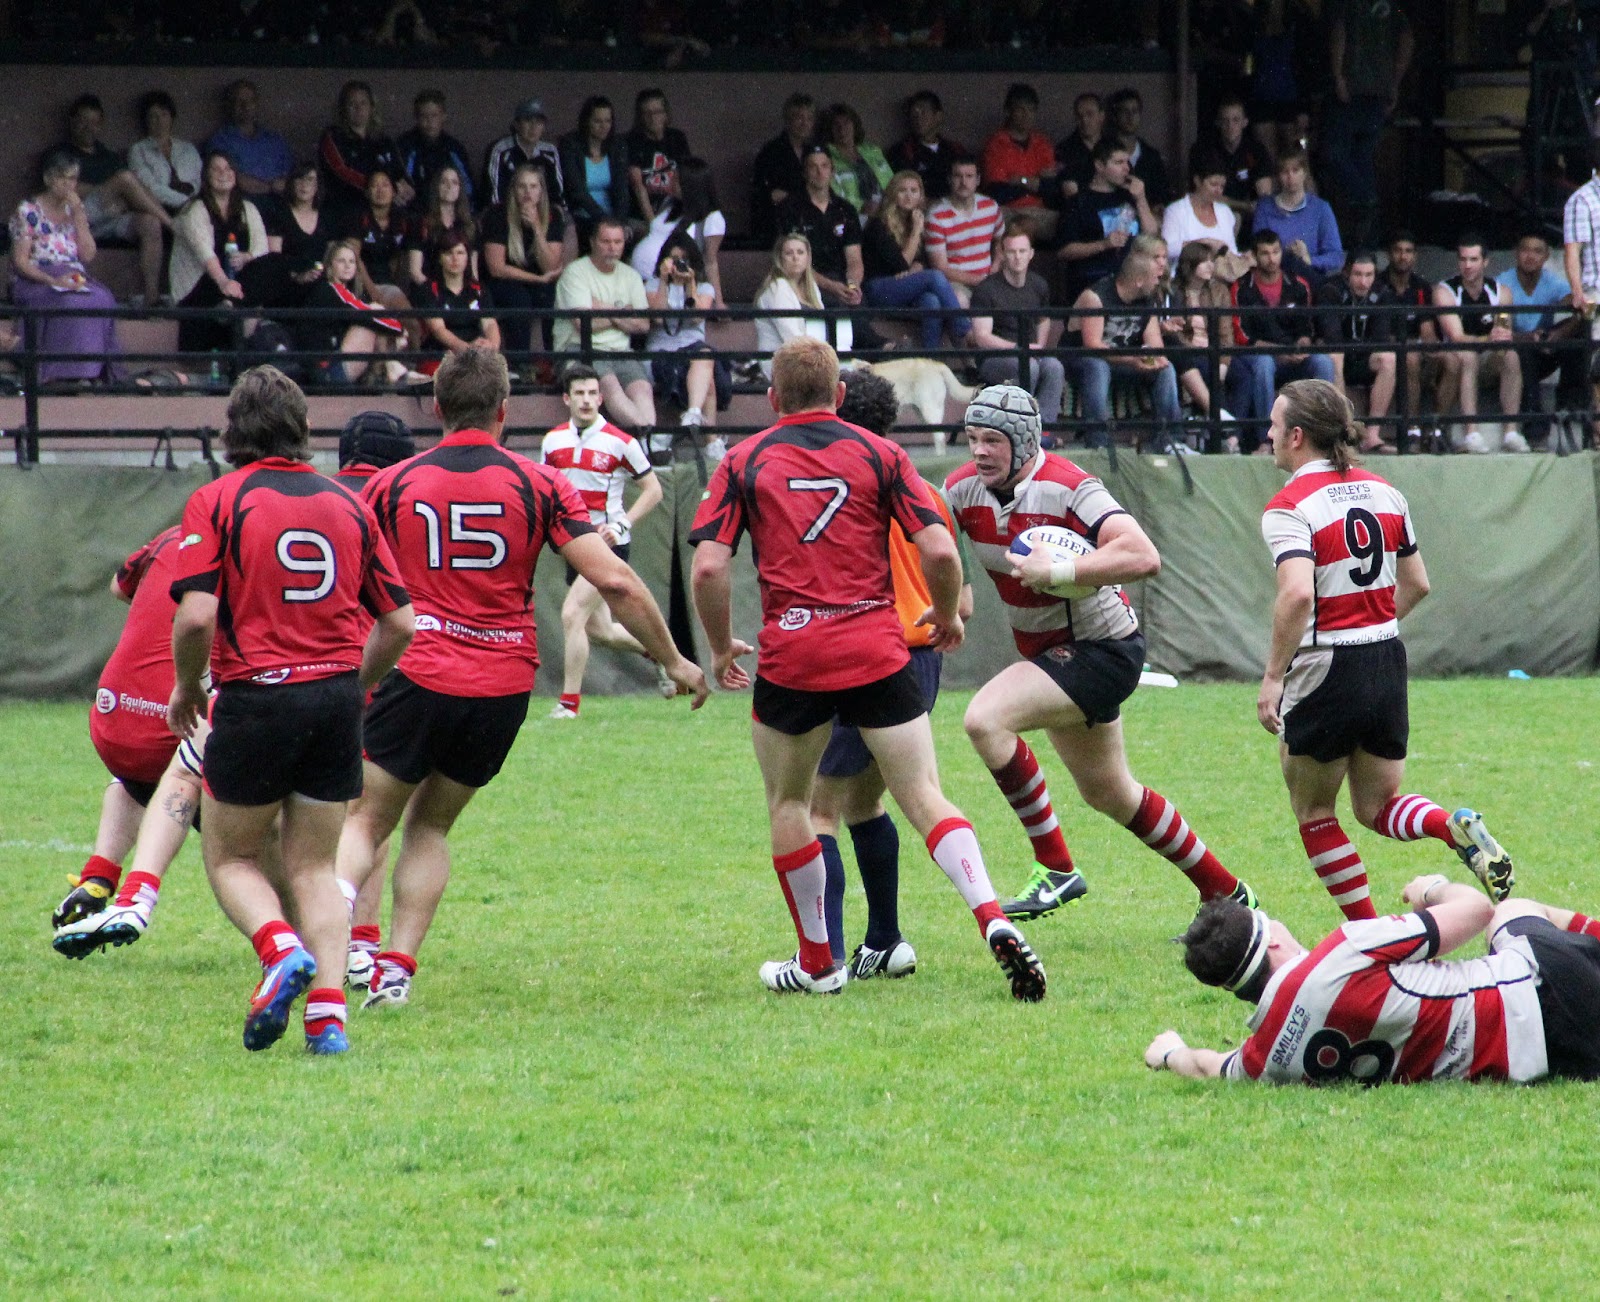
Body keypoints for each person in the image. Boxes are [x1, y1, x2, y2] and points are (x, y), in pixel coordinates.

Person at [338, 349, 704, 1009]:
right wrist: (675, 660)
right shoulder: (542, 483)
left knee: (366, 822)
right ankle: (396, 969)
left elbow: (350, 582)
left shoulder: (393, 484)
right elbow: (615, 578)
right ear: (505, 412)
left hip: (419, 674)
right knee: (431, 829)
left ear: (440, 409)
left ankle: (323, 940)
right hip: (500, 686)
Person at [690, 338, 1047, 1000]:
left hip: (793, 652)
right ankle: (991, 914)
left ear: (771, 399)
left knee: (794, 804)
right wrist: (948, 616)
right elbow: (939, 549)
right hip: (877, 647)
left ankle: (818, 963)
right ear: (842, 395)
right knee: (921, 794)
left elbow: (709, 565)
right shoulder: (883, 454)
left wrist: (717, 648)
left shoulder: (744, 458)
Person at [167, 365, 416, 1054]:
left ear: (233, 431)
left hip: (255, 696)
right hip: (335, 698)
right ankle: (328, 1017)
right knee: (313, 868)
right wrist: (350, 684)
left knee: (231, 859)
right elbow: (399, 623)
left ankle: (280, 952)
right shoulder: (349, 504)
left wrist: (188, 688)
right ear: (303, 431)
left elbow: (194, 621)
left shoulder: (218, 500)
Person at [945, 385, 1255, 920]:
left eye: (992, 440)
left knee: (985, 720)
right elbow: (940, 555)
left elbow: (1143, 555)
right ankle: (1227, 892)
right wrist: (950, 606)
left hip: (1102, 648)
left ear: (1023, 443)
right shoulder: (961, 490)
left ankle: (1057, 869)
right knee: (1112, 793)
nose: (979, 451)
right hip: (1052, 652)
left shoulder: (1070, 487)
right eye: (972, 438)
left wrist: (1059, 571)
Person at [1256, 378, 1514, 923]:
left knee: (1314, 811)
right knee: (1377, 808)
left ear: (1297, 436)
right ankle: (1452, 825)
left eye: (1275, 425)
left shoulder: (1287, 507)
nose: (1269, 434)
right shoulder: (1386, 492)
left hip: (1326, 664)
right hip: (1385, 659)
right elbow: (1417, 583)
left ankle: (1369, 934)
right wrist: (1371, 623)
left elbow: (1298, 592)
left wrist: (1275, 676)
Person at [812, 367, 975, 978]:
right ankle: (885, 941)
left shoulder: (844, 491)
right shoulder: (924, 490)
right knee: (864, 801)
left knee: (815, 809)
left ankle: (822, 957)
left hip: (864, 654)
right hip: (923, 658)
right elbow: (961, 597)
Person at [1149, 875, 1600, 1084]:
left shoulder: (1265, 1060)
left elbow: (1208, 1065)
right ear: (1270, 941)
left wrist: (1169, 1052)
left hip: (1555, 1057)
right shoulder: (1341, 954)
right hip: (1548, 987)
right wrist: (1433, 889)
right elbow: (1476, 910)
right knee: (1512, 911)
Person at [49, 526, 203, 954]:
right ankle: (295, 942)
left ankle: (98, 878)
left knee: (135, 782)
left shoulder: (172, 536)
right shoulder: (242, 543)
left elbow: (119, 587)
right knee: (251, 836)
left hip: (113, 711)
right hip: (173, 711)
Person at [330, 411, 417, 989]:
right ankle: (357, 943)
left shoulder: (314, 495)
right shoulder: (402, 501)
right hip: (375, 672)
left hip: (290, 670)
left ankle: (296, 935)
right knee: (370, 817)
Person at [542, 363, 673, 720]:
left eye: (592, 393)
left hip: (606, 544)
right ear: (566, 399)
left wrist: (622, 525)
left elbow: (654, 490)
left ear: (601, 397)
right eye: (579, 394)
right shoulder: (553, 441)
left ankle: (568, 704)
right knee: (600, 631)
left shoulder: (620, 442)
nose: (586, 401)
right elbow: (547, 491)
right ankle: (666, 658)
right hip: (574, 546)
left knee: (571, 614)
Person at [10, 149, 121, 384]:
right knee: (67, 301)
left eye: (72, 178)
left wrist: (80, 216)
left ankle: (93, 371)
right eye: (62, 178)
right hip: (38, 277)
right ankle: (57, 372)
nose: (68, 184)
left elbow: (88, 255)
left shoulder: (75, 210)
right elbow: (20, 262)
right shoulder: (28, 211)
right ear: (49, 179)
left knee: (102, 298)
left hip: (73, 274)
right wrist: (52, 281)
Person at [51, 94, 173, 306]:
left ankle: (151, 297)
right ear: (72, 122)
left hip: (111, 219)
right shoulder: (59, 153)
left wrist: (119, 201)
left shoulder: (108, 156)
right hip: (73, 219)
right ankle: (173, 226)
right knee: (124, 178)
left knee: (149, 222)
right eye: (83, 121)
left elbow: (133, 192)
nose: (88, 127)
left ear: (101, 125)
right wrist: (110, 191)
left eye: (94, 122)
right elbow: (60, 190)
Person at [1226, 227, 1336, 453]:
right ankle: (1266, 440)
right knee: (1263, 363)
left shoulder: (1297, 284)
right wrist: (1281, 351)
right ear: (1255, 256)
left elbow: (1307, 327)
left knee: (1323, 361)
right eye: (1265, 253)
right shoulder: (1241, 287)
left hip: (1294, 355)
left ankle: (1326, 436)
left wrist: (1303, 344)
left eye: (1275, 252)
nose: (1271, 258)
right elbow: (1243, 337)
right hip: (1261, 357)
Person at [1066, 247, 1183, 452]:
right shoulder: (1097, 296)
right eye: (1154, 278)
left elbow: (1156, 344)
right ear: (1138, 280)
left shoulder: (1148, 299)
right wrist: (1132, 359)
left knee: (1166, 369)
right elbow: (1092, 345)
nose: (1158, 281)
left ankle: (1170, 441)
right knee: (1097, 365)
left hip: (1124, 361)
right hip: (1083, 360)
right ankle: (1098, 441)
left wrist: (1156, 359)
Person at [1324, 0, 1413, 249]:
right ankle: (1367, 228)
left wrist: (1338, 75)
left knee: (1335, 152)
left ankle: (1366, 203)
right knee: (1362, 157)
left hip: (1355, 88)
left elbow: (1339, 33)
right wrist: (1395, 79)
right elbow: (1406, 39)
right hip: (1377, 89)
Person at [553, 216, 654, 433]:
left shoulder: (631, 276)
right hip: (580, 349)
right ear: (592, 242)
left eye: (618, 242)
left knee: (643, 389)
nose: (612, 248)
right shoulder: (575, 273)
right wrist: (622, 313)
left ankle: (649, 442)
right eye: (606, 241)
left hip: (621, 351)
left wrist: (603, 309)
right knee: (608, 385)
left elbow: (644, 325)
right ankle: (646, 441)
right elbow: (584, 324)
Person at [168, 150, 271, 357]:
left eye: (228, 168)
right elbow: (206, 255)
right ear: (206, 175)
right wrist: (225, 283)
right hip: (201, 287)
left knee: (272, 265)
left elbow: (262, 249)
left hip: (236, 288)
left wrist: (247, 257)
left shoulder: (247, 208)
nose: (223, 173)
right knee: (244, 301)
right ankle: (233, 311)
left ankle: (233, 310)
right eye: (216, 169)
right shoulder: (195, 209)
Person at [1433, 234, 1525, 454]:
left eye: (1473, 259)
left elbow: (1503, 330)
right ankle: (1471, 434)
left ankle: (1511, 432)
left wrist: (1497, 337)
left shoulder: (1501, 292)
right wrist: (1486, 339)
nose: (1467, 265)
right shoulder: (1445, 291)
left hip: (1488, 361)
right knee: (1467, 355)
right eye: (1463, 259)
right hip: (1455, 362)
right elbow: (1456, 336)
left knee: (1510, 354)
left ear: (1485, 261)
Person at [860, 171, 971, 351]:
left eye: (914, 190)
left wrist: (914, 271)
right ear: (893, 194)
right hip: (878, 289)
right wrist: (916, 231)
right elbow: (900, 263)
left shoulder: (914, 220)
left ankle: (930, 360)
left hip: (905, 287)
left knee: (931, 301)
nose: (909, 196)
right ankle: (962, 327)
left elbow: (921, 260)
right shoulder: (878, 224)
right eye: (902, 190)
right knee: (934, 277)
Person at [969, 224, 1064, 423]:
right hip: (995, 358)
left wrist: (1038, 346)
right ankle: (1021, 425)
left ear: (1031, 254)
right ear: (1002, 254)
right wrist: (1018, 348)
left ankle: (1044, 428)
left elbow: (1044, 319)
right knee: (1028, 366)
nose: (1017, 257)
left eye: (1022, 251)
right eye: (1012, 251)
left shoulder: (1039, 285)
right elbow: (982, 337)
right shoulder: (986, 289)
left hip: (1029, 353)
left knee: (1054, 367)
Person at [1500, 230, 1586, 447]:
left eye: (1537, 251)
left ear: (1547, 256)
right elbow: (1499, 331)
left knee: (1579, 334)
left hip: (1543, 348)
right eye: (1525, 250)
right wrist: (1526, 337)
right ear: (1516, 253)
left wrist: (1556, 334)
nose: (1530, 256)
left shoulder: (1552, 282)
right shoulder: (1502, 284)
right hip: (1513, 353)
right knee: (1524, 351)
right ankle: (1535, 429)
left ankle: (1568, 403)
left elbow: (1578, 305)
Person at [645, 237, 731, 436]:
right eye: (674, 259)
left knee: (704, 359)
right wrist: (665, 281)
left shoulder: (704, 288)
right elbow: (658, 318)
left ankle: (693, 413)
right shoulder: (653, 284)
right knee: (706, 378)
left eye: (684, 259)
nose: (679, 264)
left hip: (694, 348)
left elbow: (695, 318)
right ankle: (709, 437)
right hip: (662, 350)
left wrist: (690, 283)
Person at [296, 239, 407, 386]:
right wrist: (399, 330)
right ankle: (390, 368)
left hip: (331, 365)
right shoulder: (330, 290)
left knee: (374, 315)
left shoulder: (342, 291)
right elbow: (369, 316)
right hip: (326, 371)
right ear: (330, 265)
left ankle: (388, 369)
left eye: (352, 261)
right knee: (373, 313)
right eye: (341, 261)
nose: (348, 266)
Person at [482, 163, 565, 361]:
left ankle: (556, 362)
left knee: (552, 296)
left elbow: (551, 267)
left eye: (533, 186)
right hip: (504, 281)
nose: (528, 192)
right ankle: (520, 367)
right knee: (519, 300)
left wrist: (537, 228)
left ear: (541, 190)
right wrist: (538, 279)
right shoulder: (497, 214)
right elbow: (497, 268)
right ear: (513, 189)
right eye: (522, 186)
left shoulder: (553, 215)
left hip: (539, 280)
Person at [1315, 250, 1396, 452]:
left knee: (1388, 358)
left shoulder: (1382, 292)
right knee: (1335, 355)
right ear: (1346, 273)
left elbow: (1381, 338)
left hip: (1365, 358)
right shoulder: (1331, 290)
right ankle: (1346, 432)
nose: (1364, 282)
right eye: (1358, 275)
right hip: (1340, 358)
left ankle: (1372, 434)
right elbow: (1333, 338)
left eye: (1369, 275)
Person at [1057, 139, 1156, 303]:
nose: (1127, 168)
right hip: (1092, 285)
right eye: (1119, 162)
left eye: (1127, 162)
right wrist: (1103, 245)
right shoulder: (1079, 202)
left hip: (1133, 286)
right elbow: (1064, 250)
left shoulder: (1131, 196)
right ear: (1099, 166)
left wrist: (1141, 199)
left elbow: (1151, 235)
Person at [774, 147, 867, 319]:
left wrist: (852, 286)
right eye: (813, 167)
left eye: (825, 166)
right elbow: (791, 261)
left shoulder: (846, 209)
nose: (820, 172)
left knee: (857, 302)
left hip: (842, 281)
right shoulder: (790, 208)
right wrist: (831, 286)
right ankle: (882, 345)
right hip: (806, 281)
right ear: (804, 172)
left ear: (832, 170)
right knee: (836, 306)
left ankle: (881, 344)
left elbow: (854, 258)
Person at [629, 157, 728, 309]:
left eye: (675, 180)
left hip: (668, 282)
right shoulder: (670, 204)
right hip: (641, 280)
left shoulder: (712, 218)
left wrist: (719, 302)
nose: (670, 182)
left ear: (690, 186)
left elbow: (710, 261)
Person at [754, 233, 851, 376]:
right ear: (780, 259)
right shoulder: (778, 288)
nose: (795, 257)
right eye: (789, 253)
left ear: (807, 258)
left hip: (810, 359)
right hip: (785, 364)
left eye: (800, 252)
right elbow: (792, 338)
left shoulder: (810, 286)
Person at [1378, 229, 1442, 445]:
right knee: (1411, 358)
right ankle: (1412, 427)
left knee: (1451, 360)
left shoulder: (1421, 287)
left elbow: (1427, 331)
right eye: (1398, 250)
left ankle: (1436, 427)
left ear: (1415, 256)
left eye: (1408, 251)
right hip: (1386, 350)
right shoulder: (1377, 284)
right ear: (1389, 254)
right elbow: (1380, 333)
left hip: (1416, 348)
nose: (1403, 256)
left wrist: (1432, 351)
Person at [980, 82, 1059, 240]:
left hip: (1040, 210)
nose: (1026, 115)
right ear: (1008, 111)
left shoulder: (1042, 143)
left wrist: (1020, 181)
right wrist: (1035, 183)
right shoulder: (996, 144)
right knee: (1024, 224)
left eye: (1031, 110)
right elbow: (998, 192)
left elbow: (1052, 189)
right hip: (1007, 211)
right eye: (1020, 109)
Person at [1252, 148, 1344, 282]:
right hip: (1274, 279)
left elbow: (1336, 256)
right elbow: (1257, 250)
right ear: (1278, 176)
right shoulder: (1265, 208)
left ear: (1304, 173)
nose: (1290, 177)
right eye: (1285, 172)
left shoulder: (1321, 208)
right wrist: (1283, 254)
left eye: (1295, 171)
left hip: (1311, 279)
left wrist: (1308, 259)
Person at [924, 156, 1003, 309]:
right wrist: (981, 281)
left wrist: (997, 263)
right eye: (958, 176)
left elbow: (1001, 240)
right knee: (960, 301)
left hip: (989, 280)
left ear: (978, 180)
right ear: (949, 179)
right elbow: (940, 268)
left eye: (969, 176)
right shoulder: (936, 216)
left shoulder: (991, 207)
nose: (963, 182)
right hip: (957, 284)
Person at [319, 81, 406, 218]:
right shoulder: (333, 137)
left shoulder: (384, 141)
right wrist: (381, 189)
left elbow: (399, 172)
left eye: (363, 103)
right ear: (343, 108)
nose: (358, 108)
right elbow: (343, 171)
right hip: (345, 212)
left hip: (383, 215)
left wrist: (404, 187)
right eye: (352, 104)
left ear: (372, 107)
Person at [557, 96, 634, 252]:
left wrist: (620, 222)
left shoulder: (617, 146)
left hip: (612, 216)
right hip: (582, 215)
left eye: (608, 121)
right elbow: (577, 191)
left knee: (633, 233)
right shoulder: (571, 145)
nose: (604, 126)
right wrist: (605, 221)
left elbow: (621, 188)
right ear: (586, 122)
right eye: (597, 121)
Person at [416, 235, 500, 370]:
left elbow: (489, 323)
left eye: (460, 253)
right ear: (440, 258)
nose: (455, 258)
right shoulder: (429, 289)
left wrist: (492, 347)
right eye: (449, 253)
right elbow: (438, 329)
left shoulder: (479, 289)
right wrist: (468, 350)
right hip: (441, 357)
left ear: (467, 257)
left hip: (476, 356)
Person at [205, 79, 294, 204]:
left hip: (281, 206)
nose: (245, 106)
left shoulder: (274, 140)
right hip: (242, 206)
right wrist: (271, 187)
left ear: (256, 104)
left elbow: (292, 179)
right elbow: (237, 180)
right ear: (230, 105)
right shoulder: (221, 141)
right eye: (239, 101)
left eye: (250, 101)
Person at [751, 92, 818, 248]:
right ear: (788, 120)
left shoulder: (815, 150)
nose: (804, 123)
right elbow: (765, 194)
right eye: (799, 118)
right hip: (779, 223)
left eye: (809, 118)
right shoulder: (771, 152)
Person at [1197, 96, 1274, 229]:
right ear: (1218, 123)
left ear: (1245, 122)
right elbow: (1207, 195)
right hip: (1215, 213)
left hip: (1252, 217)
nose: (1230, 126)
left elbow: (1265, 194)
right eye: (1225, 121)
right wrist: (1245, 206)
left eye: (1236, 120)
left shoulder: (1256, 150)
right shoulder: (1205, 150)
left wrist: (1253, 207)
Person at [395, 89, 475, 214]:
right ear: (416, 117)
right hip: (413, 215)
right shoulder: (404, 145)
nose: (429, 121)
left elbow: (468, 188)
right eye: (424, 116)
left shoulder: (454, 148)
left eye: (434, 115)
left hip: (448, 215)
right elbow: (399, 182)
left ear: (444, 116)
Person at [128, 90, 202, 219]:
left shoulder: (188, 149)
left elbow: (197, 180)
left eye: (164, 115)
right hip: (160, 210)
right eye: (153, 116)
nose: (159, 121)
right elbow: (150, 188)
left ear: (171, 117)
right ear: (146, 120)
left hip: (194, 207)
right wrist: (186, 203)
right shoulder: (138, 150)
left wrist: (193, 202)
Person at [265, 161, 338, 288]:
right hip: (288, 283)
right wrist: (298, 277)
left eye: (310, 180)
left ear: (317, 186)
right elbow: (275, 258)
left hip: (321, 282)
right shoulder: (279, 215)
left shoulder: (327, 216)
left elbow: (333, 255)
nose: (304, 185)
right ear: (291, 183)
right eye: (299, 179)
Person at [484, 98, 564, 211]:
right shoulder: (501, 150)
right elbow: (495, 195)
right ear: (516, 124)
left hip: (543, 212)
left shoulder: (550, 151)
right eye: (527, 120)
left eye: (539, 122)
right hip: (508, 212)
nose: (533, 127)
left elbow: (557, 191)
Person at [625, 88, 692, 223]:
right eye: (647, 113)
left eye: (657, 112)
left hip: (673, 209)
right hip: (642, 214)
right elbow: (638, 186)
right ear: (640, 116)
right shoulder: (631, 141)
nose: (653, 118)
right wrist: (653, 225)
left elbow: (684, 179)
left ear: (666, 114)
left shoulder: (677, 138)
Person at [407, 165, 478, 288]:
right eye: (444, 182)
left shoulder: (469, 226)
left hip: (462, 293)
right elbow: (415, 272)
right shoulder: (421, 223)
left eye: (454, 182)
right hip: (429, 290)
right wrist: (437, 293)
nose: (449, 186)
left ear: (460, 189)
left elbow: (473, 273)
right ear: (436, 187)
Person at [889, 89, 964, 203]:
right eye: (914, 114)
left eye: (924, 112)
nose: (918, 118)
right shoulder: (901, 151)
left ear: (938, 116)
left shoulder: (955, 149)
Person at [1160, 150, 1239, 257]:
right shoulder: (1176, 211)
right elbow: (1168, 249)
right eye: (1213, 184)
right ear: (1197, 181)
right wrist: (1205, 243)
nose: (1218, 191)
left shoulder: (1224, 211)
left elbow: (1232, 251)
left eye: (1222, 186)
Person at [1106, 87, 1172, 211]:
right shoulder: (1106, 153)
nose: (1130, 117)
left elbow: (1163, 195)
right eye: (1125, 111)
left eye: (1134, 111)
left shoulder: (1151, 156)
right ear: (1115, 116)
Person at [825, 102, 894, 220]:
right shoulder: (827, 157)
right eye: (836, 125)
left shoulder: (872, 151)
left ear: (854, 125)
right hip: (853, 215)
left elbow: (892, 181)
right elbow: (830, 193)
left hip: (886, 210)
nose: (842, 129)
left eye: (846, 123)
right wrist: (860, 206)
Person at [1053, 92, 1105, 203]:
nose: (1084, 121)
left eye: (1090, 114)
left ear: (1101, 116)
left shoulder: (1114, 146)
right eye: (1079, 116)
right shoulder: (1064, 150)